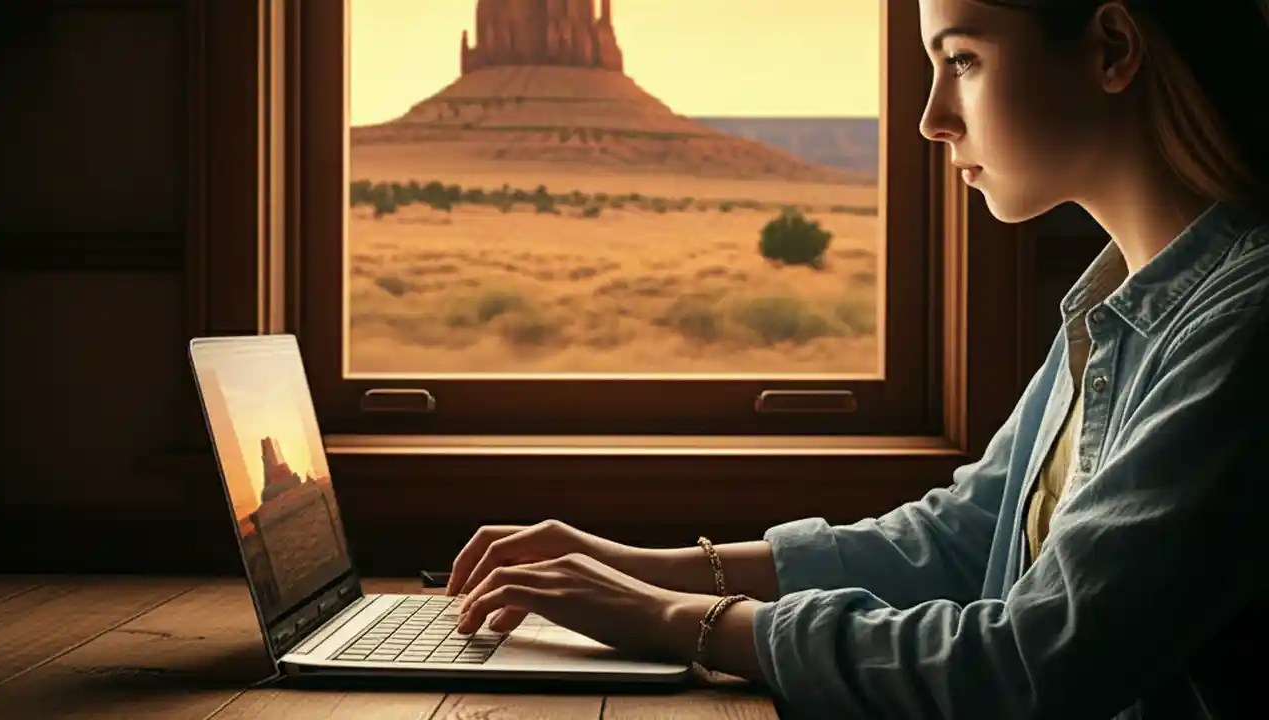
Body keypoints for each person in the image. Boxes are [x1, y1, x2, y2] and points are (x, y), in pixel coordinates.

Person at [443, 1, 1269, 717]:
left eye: (963, 60)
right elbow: (957, 538)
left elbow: (1029, 664)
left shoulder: (1245, 327)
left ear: (1112, 50)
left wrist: (671, 618)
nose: (933, 117)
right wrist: (639, 567)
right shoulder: (1114, 305)